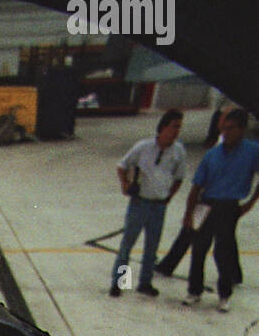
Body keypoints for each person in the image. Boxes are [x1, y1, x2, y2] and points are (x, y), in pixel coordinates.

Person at [156, 104, 244, 283]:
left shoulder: (225, 143)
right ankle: (234, 274)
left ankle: (168, 265)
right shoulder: (222, 140)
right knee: (222, 236)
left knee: (195, 230)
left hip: (212, 197)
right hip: (212, 196)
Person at [182, 108, 259, 312]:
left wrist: (250, 203)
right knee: (199, 249)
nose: (225, 133)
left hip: (229, 206)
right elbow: (196, 186)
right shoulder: (212, 154)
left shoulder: (252, 151)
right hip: (207, 204)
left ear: (242, 130)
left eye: (231, 129)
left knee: (222, 253)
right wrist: (189, 214)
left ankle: (224, 295)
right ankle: (194, 290)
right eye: (224, 129)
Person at [109, 110, 187, 298]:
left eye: (179, 127)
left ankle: (145, 283)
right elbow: (122, 166)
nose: (176, 131)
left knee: (151, 248)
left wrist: (169, 196)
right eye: (174, 126)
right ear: (163, 127)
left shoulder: (178, 151)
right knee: (128, 244)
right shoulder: (143, 147)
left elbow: (179, 177)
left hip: (159, 205)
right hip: (140, 203)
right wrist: (126, 184)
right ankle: (120, 283)